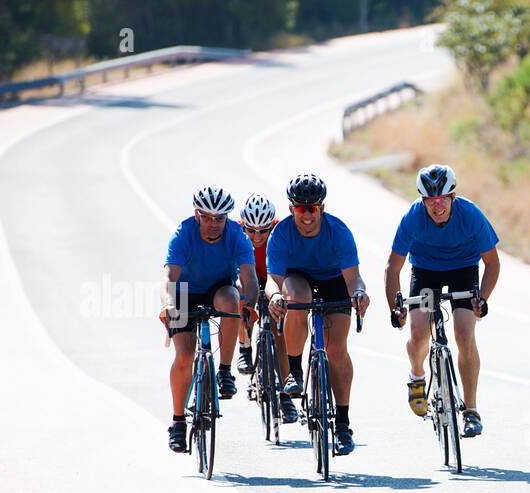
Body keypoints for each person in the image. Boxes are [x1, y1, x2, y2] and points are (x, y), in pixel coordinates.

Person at [385, 164, 499, 438]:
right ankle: (417, 375)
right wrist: (395, 307)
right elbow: (393, 268)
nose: (437, 207)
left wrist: (482, 298)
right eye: (430, 202)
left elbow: (492, 262)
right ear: (422, 201)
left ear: (453, 197)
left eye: (442, 200)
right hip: (426, 273)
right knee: (420, 331)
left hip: (464, 269)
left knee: (464, 334)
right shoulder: (413, 217)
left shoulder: (471, 215)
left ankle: (470, 410)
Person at [264, 173, 370, 456]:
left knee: (336, 350)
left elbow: (354, 279)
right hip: (298, 278)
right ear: (291, 209)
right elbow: (273, 280)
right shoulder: (281, 233)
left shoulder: (339, 231)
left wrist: (359, 294)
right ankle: (295, 371)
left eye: (313, 208)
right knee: (297, 298)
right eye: (301, 208)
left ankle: (344, 424)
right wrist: (275, 295)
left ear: (322, 208)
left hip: (334, 280)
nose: (307, 215)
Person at [157, 185, 258, 452]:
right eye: (207, 218)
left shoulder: (237, 234)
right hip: (184, 292)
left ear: (227, 218)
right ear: (197, 215)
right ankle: (178, 422)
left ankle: (224, 371)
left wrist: (250, 305)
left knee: (233, 299)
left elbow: (250, 278)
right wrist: (168, 305)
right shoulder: (183, 234)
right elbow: (169, 278)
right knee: (184, 356)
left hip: (218, 288)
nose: (214, 224)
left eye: (220, 219)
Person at [235, 193, 298, 424]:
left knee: (277, 331)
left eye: (263, 231)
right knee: (240, 294)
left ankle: (284, 395)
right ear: (244, 225)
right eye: (251, 230)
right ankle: (244, 348)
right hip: (247, 278)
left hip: (274, 278)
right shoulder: (235, 232)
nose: (257, 236)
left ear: (272, 224)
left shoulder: (281, 231)